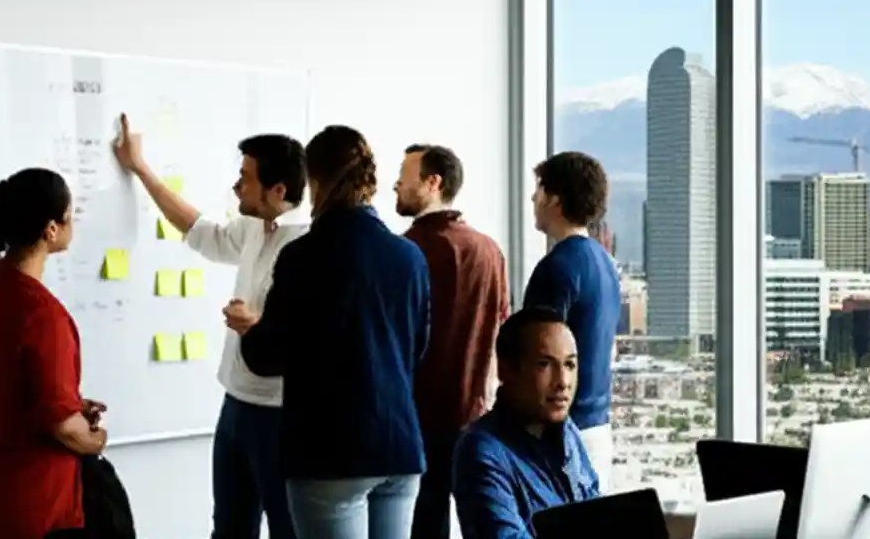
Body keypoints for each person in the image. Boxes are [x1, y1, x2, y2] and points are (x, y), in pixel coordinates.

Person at [113, 113, 306, 539]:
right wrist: (141, 168)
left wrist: (257, 326)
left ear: (278, 190)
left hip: (281, 413)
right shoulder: (254, 226)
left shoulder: (309, 244)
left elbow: (319, 333)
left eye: (246, 178)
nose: (236, 186)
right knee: (229, 528)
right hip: (235, 402)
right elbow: (202, 232)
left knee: (287, 528)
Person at [238, 125, 432, 539]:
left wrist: (251, 329)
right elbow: (417, 348)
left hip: (330, 453)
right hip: (399, 447)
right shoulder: (409, 257)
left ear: (315, 180)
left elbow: (267, 356)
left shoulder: (302, 256)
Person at [0, 169, 109, 538]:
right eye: (70, 214)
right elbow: (64, 428)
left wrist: (70, 404)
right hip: (35, 503)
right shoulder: (43, 315)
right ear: (51, 229)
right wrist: (95, 440)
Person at [394, 144, 509, 539]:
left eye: (404, 177)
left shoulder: (407, 251)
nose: (396, 185)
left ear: (433, 183)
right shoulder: (490, 251)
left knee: (424, 525)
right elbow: (500, 329)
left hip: (418, 416)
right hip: (475, 415)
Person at [452, 307, 599, 539]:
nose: (563, 382)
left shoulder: (567, 432)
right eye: (544, 364)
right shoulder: (483, 450)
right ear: (506, 371)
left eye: (570, 365)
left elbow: (598, 514)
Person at [522, 151, 620, 491]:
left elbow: (535, 355)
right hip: (597, 428)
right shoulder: (605, 264)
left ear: (555, 199)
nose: (533, 198)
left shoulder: (557, 267)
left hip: (561, 435)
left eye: (539, 189)